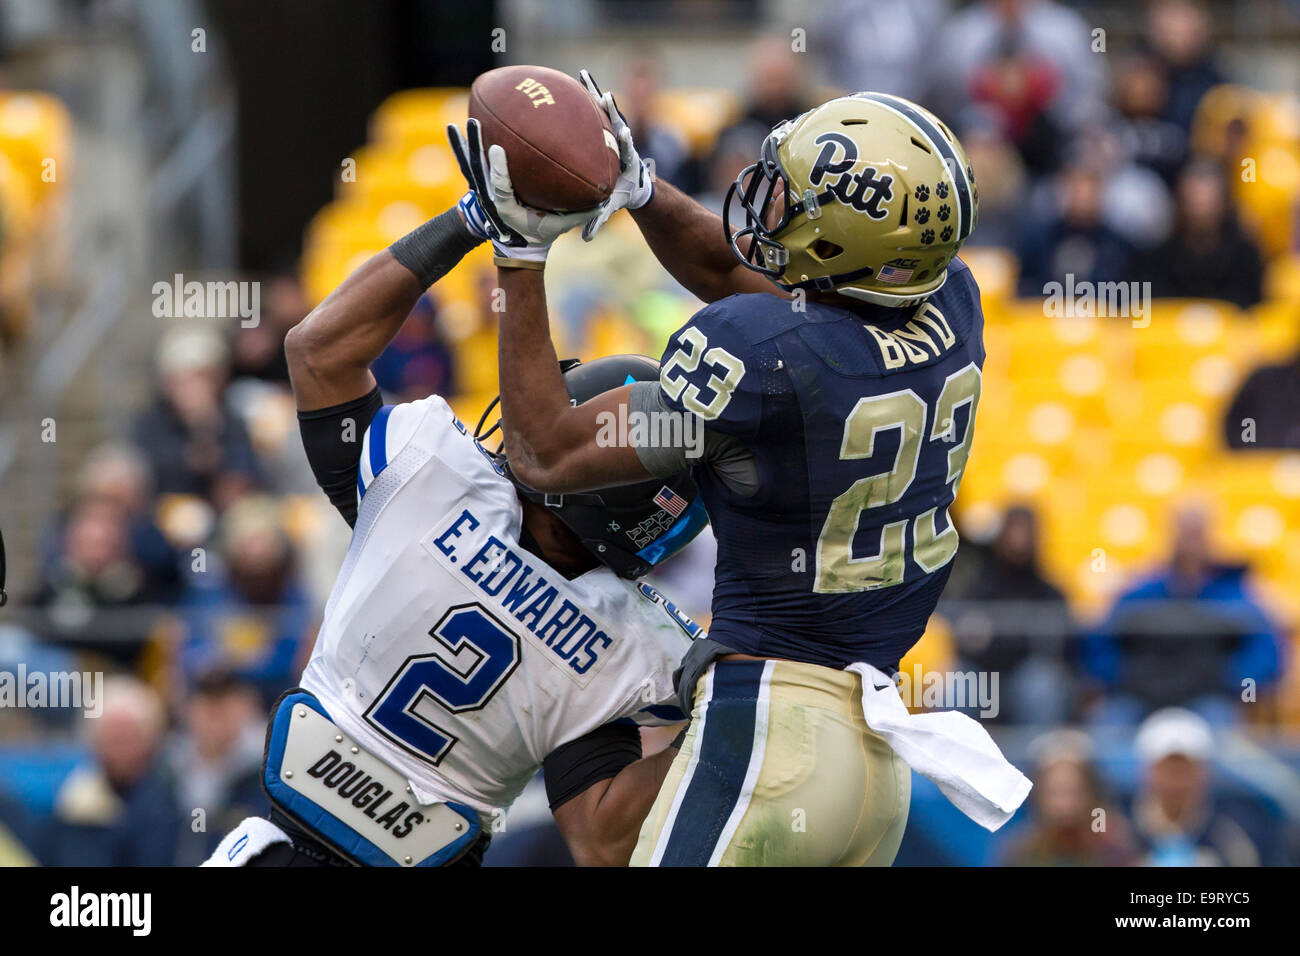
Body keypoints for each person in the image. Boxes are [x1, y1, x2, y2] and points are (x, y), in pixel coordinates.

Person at [449, 79, 1031, 866]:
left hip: (773, 736)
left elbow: (546, 452)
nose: (770, 206)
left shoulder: (759, 354)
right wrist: (643, 192)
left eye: (796, 200)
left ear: (844, 239)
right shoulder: (953, 303)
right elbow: (742, 282)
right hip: (870, 768)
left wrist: (519, 258)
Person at [206, 195, 709, 868]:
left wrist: (471, 221)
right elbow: (603, 840)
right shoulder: (627, 642)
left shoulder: (432, 476)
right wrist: (720, 722)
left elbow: (317, 349)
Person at [1130, 707, 1260, 866]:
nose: (1176, 783)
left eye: (1185, 770)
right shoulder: (1121, 831)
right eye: (1168, 770)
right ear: (1147, 772)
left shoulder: (1236, 831)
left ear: (1205, 773)